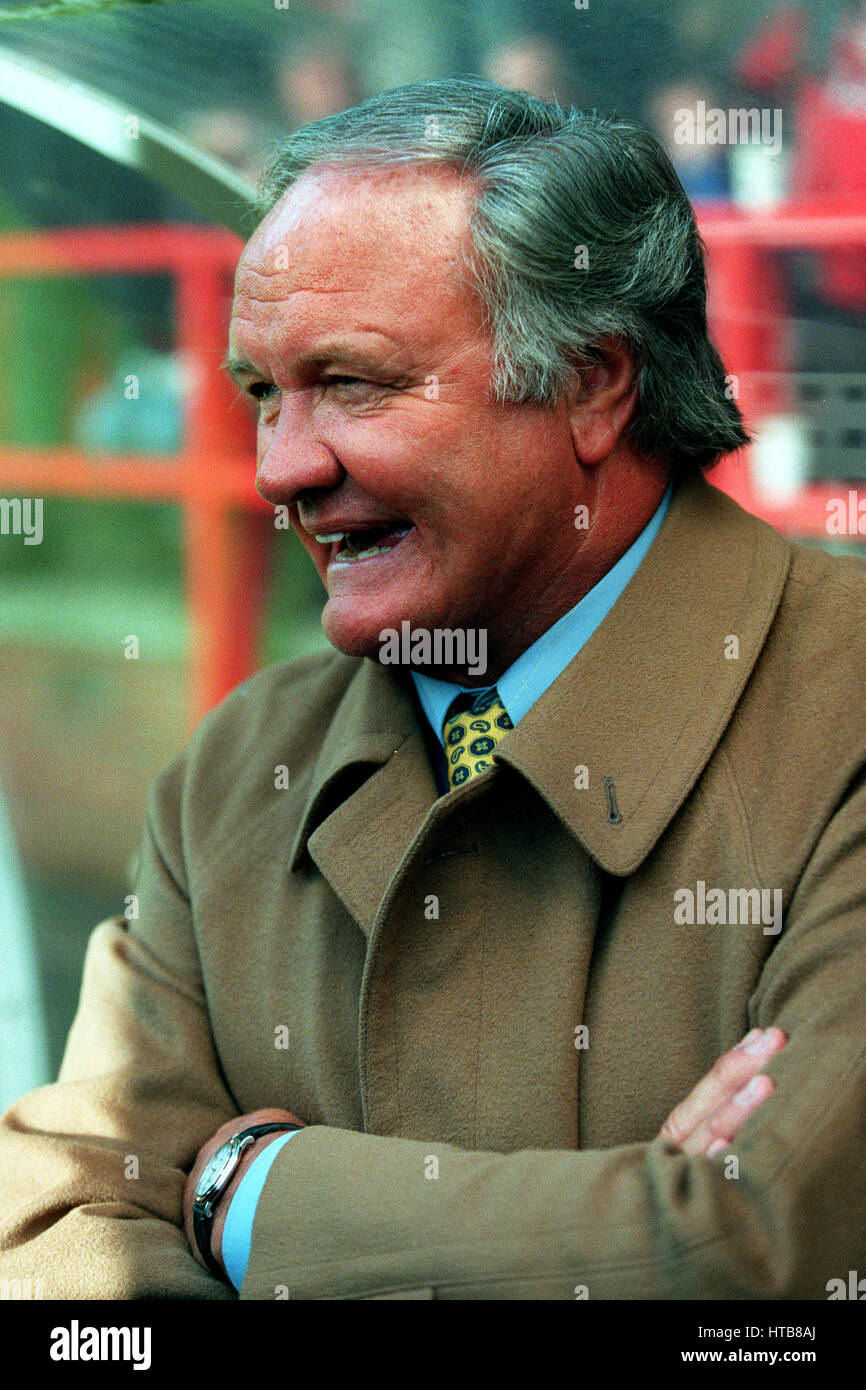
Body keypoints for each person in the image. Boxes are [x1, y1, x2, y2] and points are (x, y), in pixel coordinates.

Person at [1, 77, 865, 1301]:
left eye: (351, 383)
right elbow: (48, 1233)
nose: (279, 469)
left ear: (590, 384)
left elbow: (759, 1253)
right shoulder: (242, 767)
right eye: (262, 393)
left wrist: (246, 1195)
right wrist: (626, 1229)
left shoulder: (840, 713)